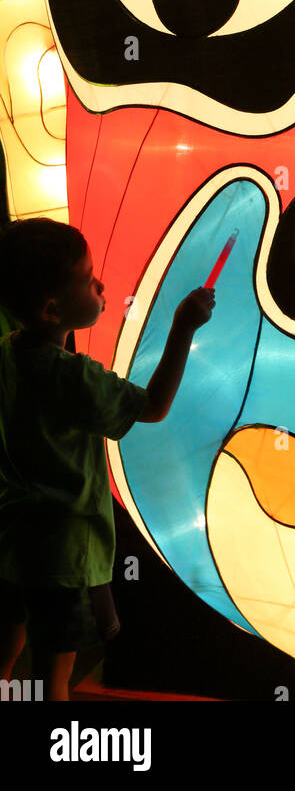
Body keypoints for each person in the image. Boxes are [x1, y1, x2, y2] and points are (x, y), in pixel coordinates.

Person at [0, 216, 214, 701]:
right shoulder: (73, 378)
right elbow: (154, 406)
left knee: (8, 647)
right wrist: (184, 325)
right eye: (89, 278)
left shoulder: (7, 356)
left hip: (13, 539)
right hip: (67, 553)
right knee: (52, 675)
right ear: (52, 310)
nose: (101, 285)